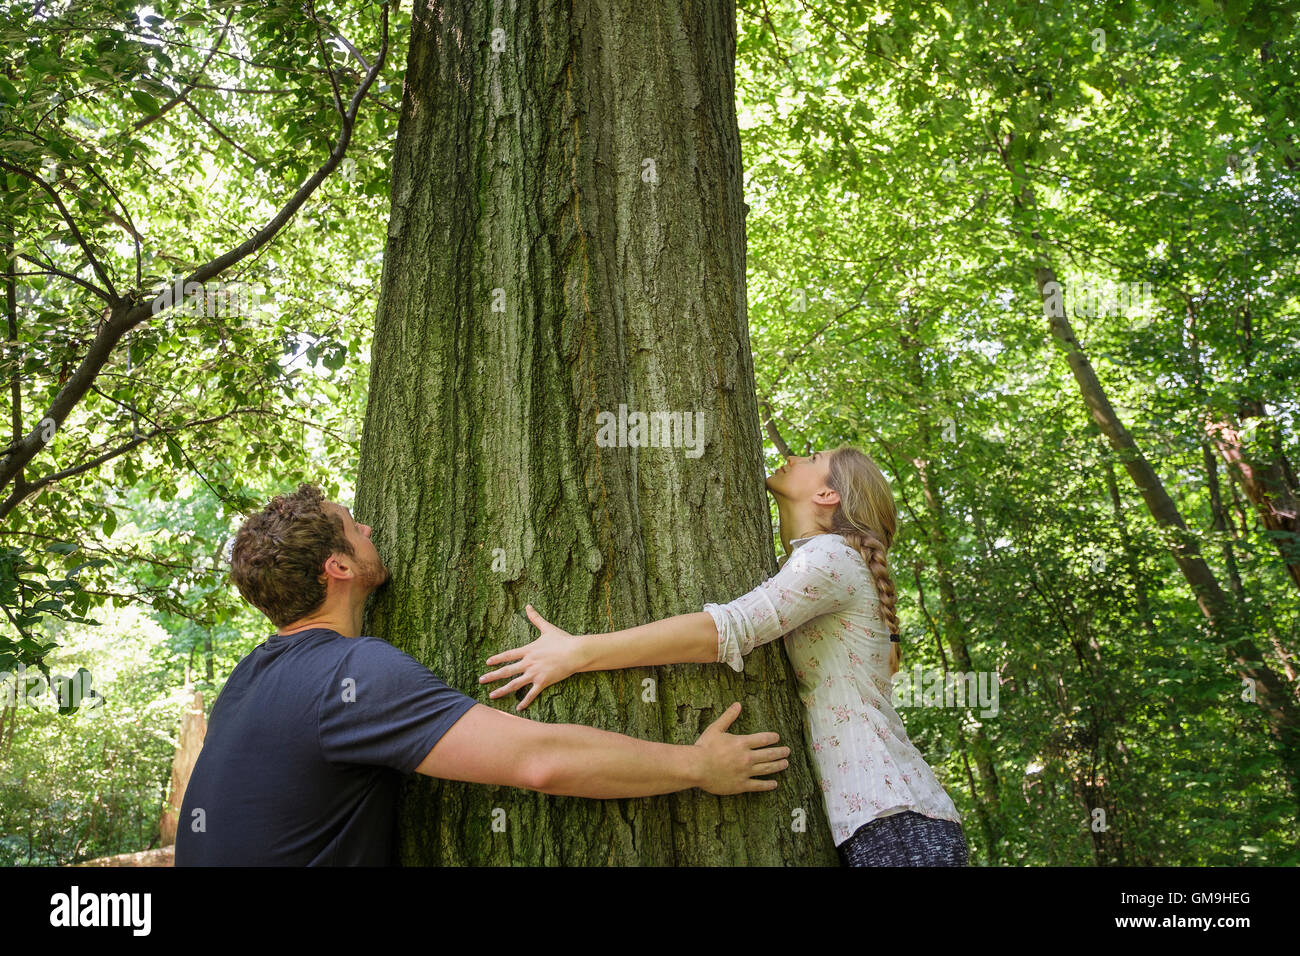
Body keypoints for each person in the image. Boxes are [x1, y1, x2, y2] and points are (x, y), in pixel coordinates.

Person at [174, 483, 790, 866]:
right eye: (353, 526)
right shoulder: (352, 673)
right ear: (337, 566)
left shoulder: (245, 679)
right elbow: (540, 759)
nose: (369, 527)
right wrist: (697, 765)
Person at [480, 447, 970, 866]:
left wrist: (578, 651)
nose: (794, 456)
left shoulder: (832, 558)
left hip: (895, 818)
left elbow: (726, 630)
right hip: (880, 818)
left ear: (828, 495)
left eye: (813, 457)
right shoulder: (825, 560)